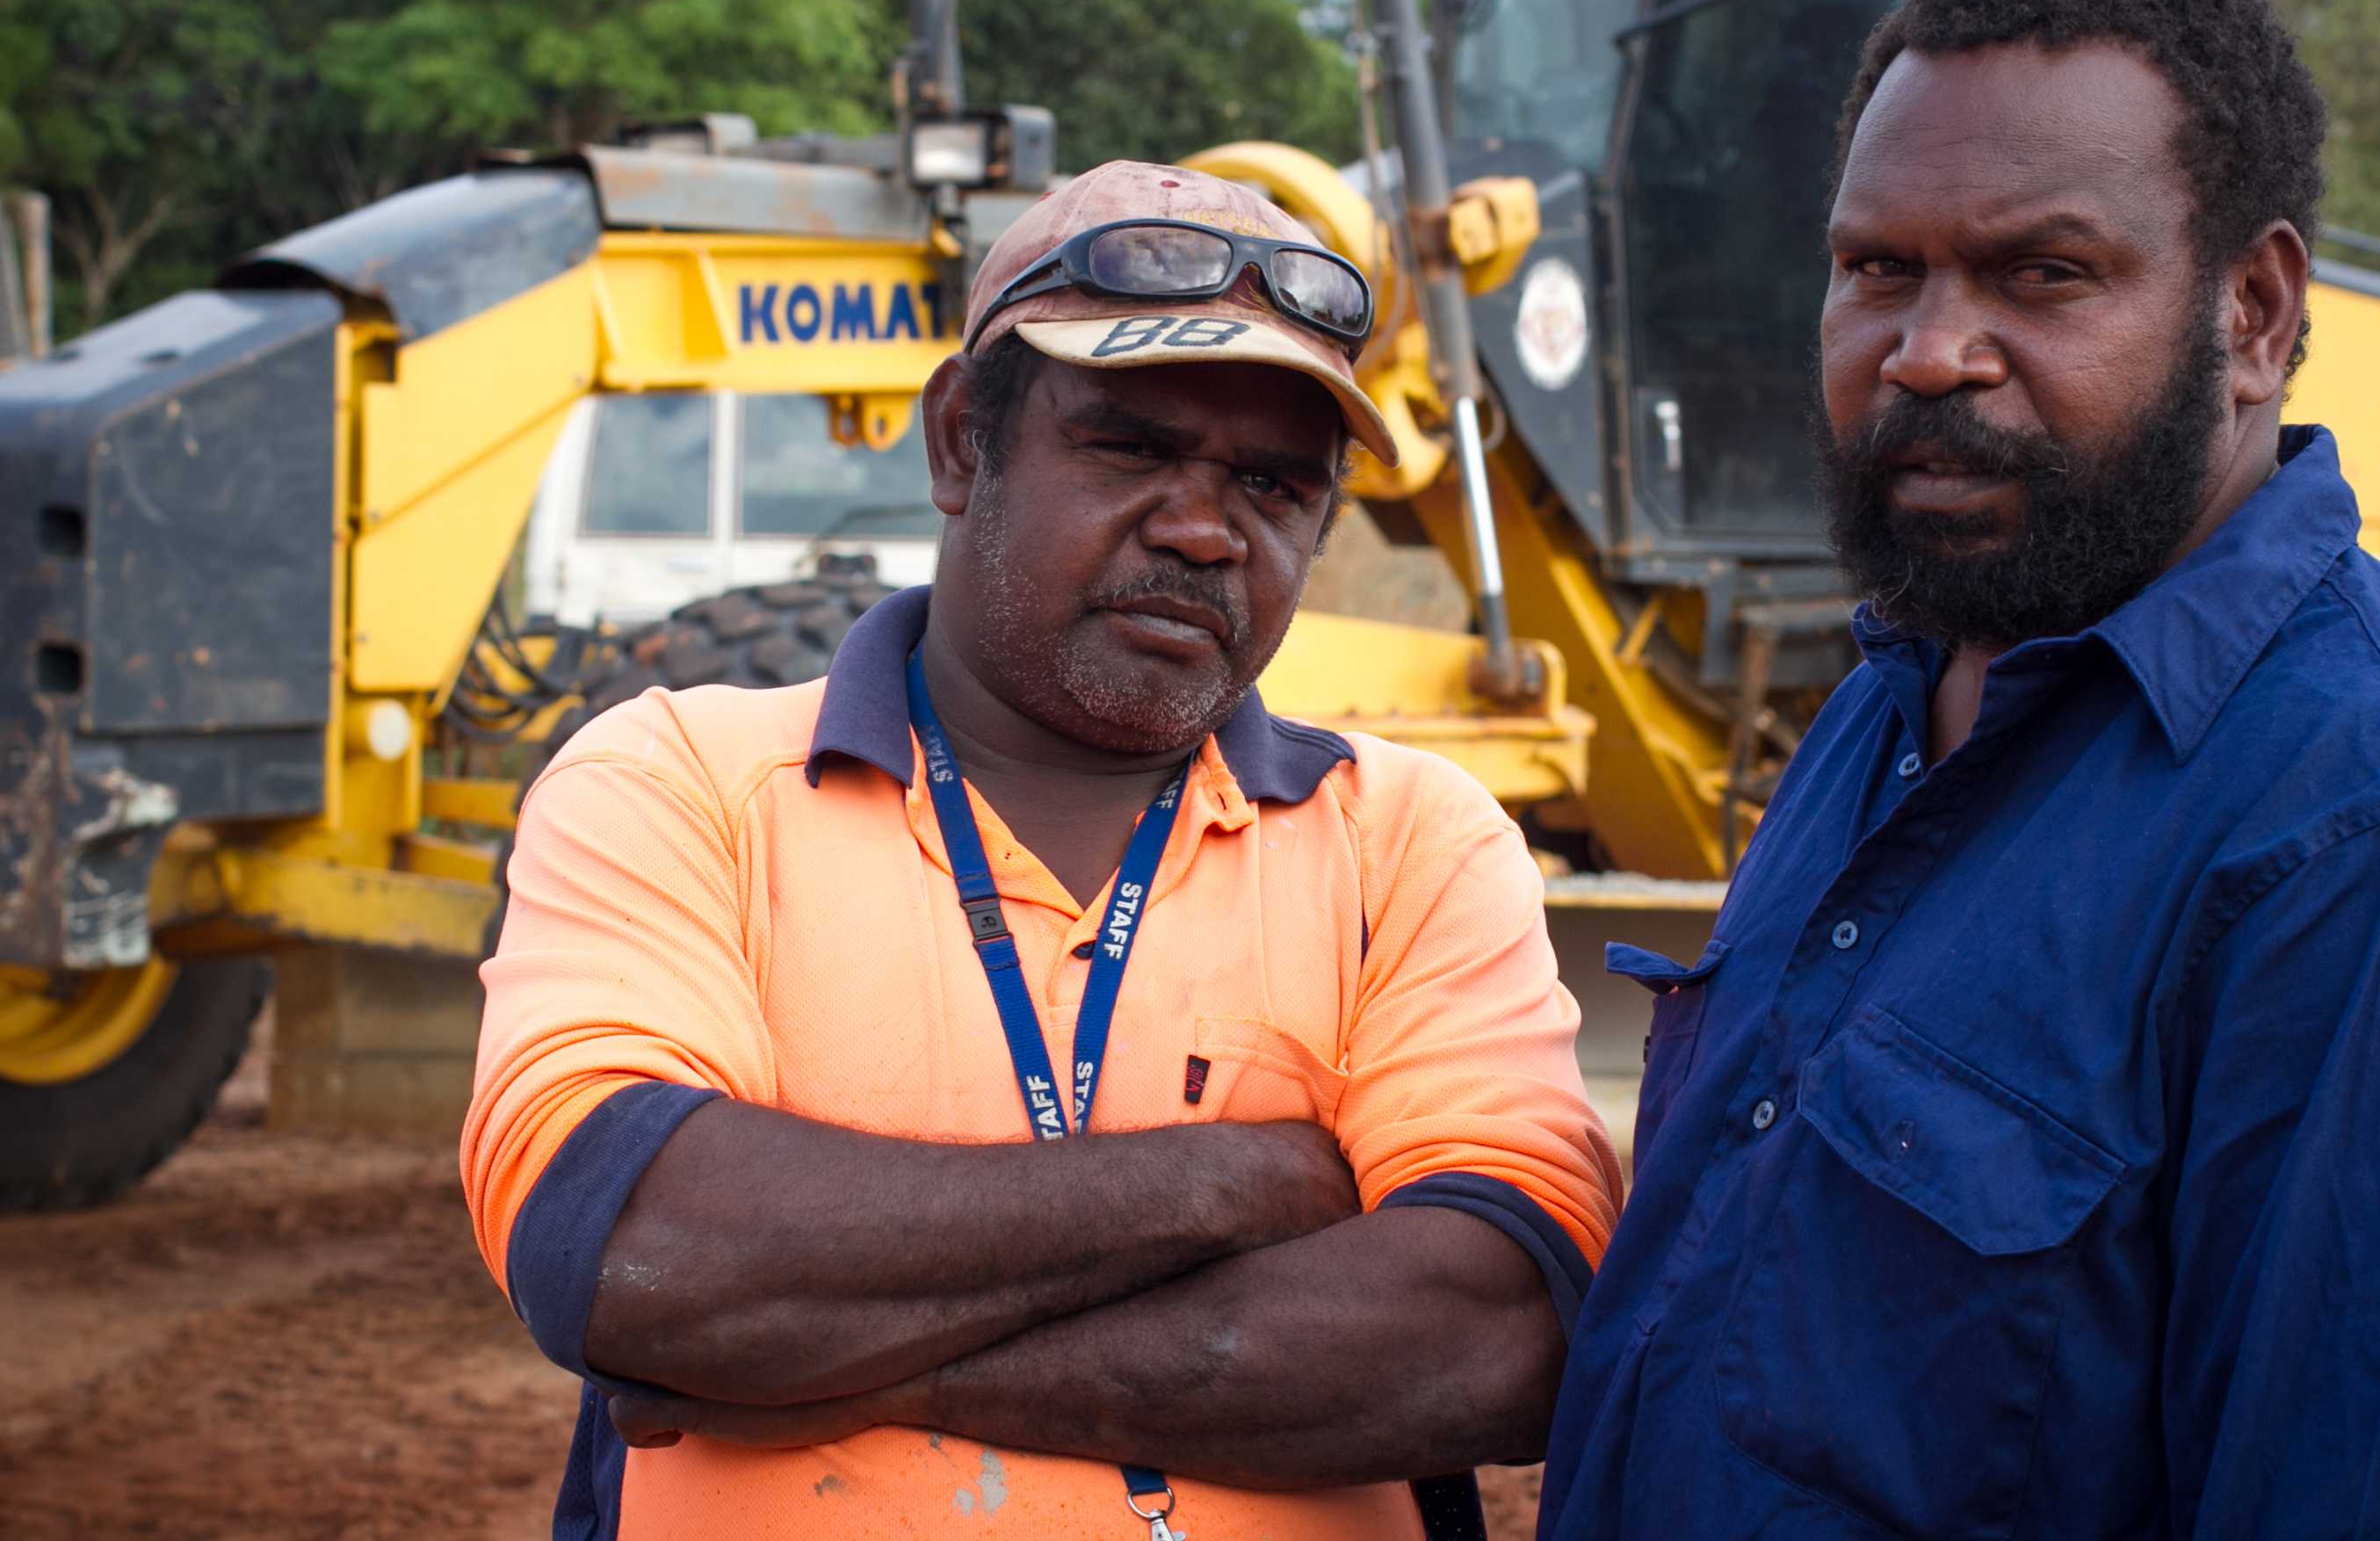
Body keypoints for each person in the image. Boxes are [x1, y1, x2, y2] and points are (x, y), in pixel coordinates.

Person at [1538, 0, 2380, 1539]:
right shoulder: (1894, 700)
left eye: (2042, 275)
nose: (1928, 352)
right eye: (1875, 269)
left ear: (2255, 315)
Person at [463, 161, 1622, 1541]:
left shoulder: (1415, 848)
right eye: (1130, 447)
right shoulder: (675, 784)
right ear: (962, 442)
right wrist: (1244, 1182)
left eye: (1271, 482)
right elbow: (645, 1255)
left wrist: (802, 1368)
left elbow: (1493, 1339)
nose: (1203, 528)